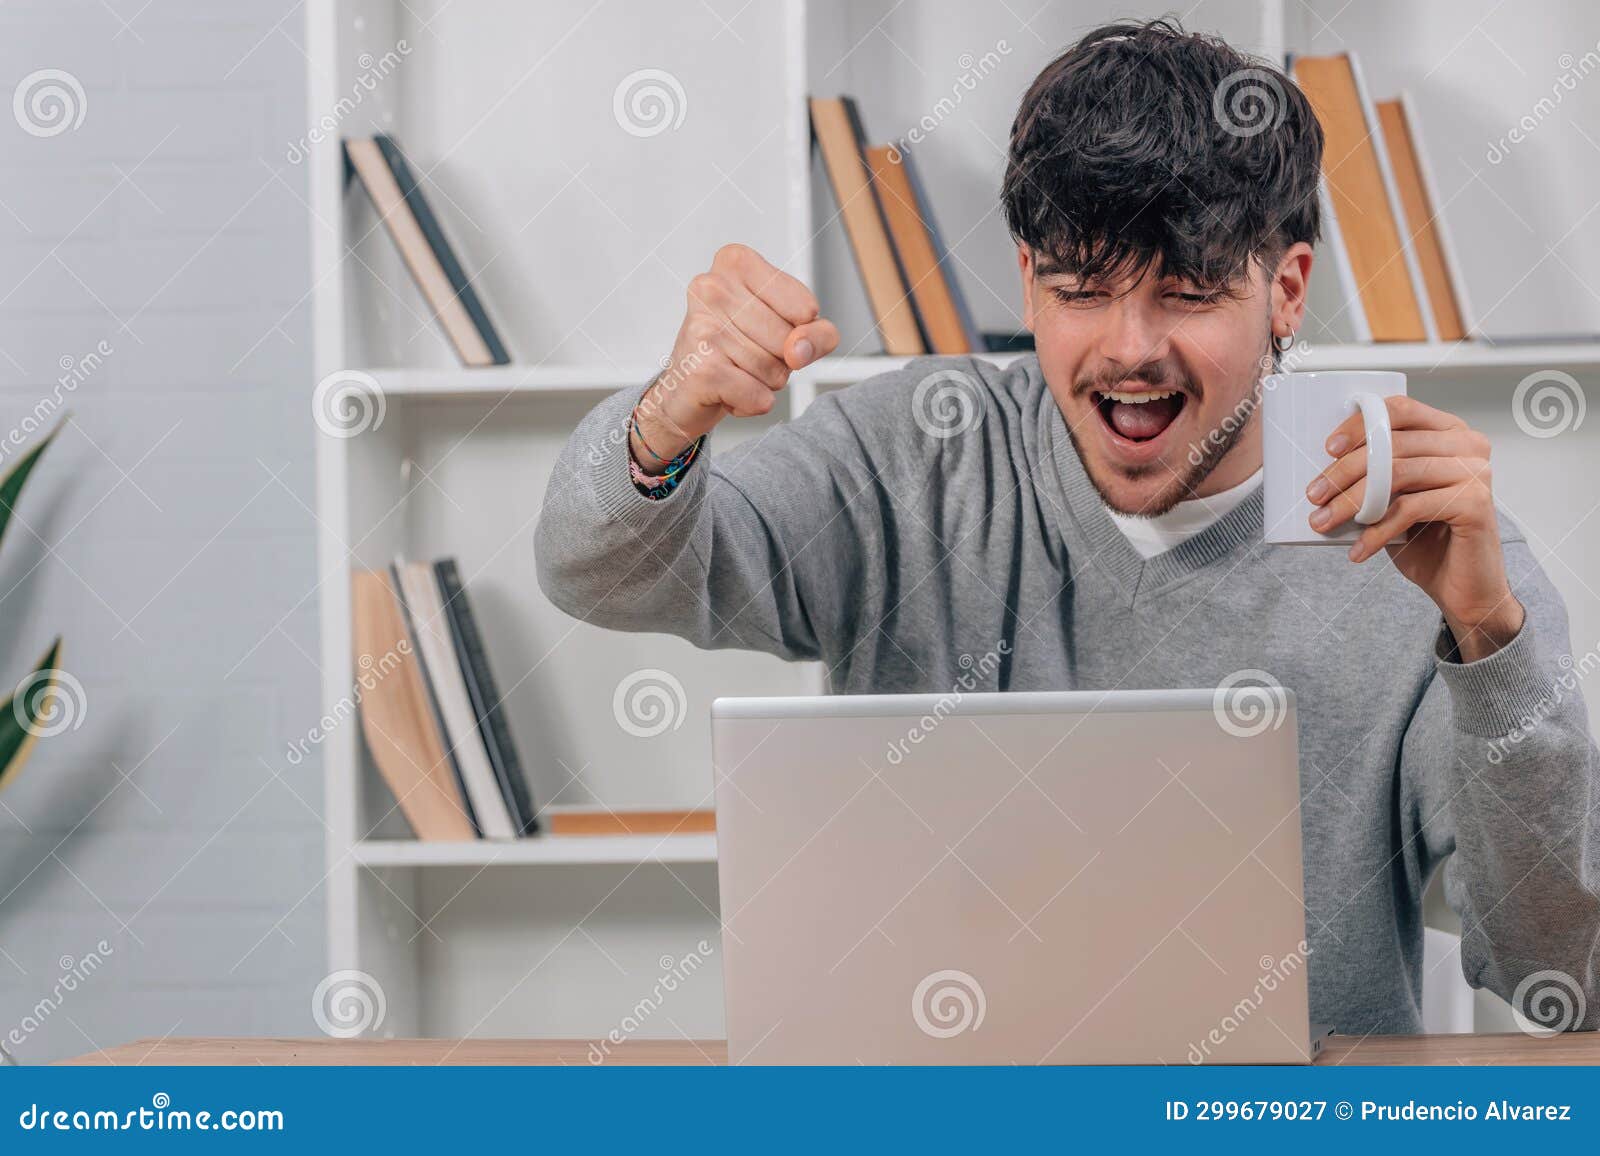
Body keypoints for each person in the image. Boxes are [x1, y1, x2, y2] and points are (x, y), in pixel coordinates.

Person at [535, 19, 1600, 1035]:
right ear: (1027, 285)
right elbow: (601, 574)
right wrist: (664, 417)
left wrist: (1490, 642)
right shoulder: (913, 452)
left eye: (1186, 292)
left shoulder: (1426, 552)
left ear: (1285, 292)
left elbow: (1563, 975)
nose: (1130, 348)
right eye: (1082, 288)